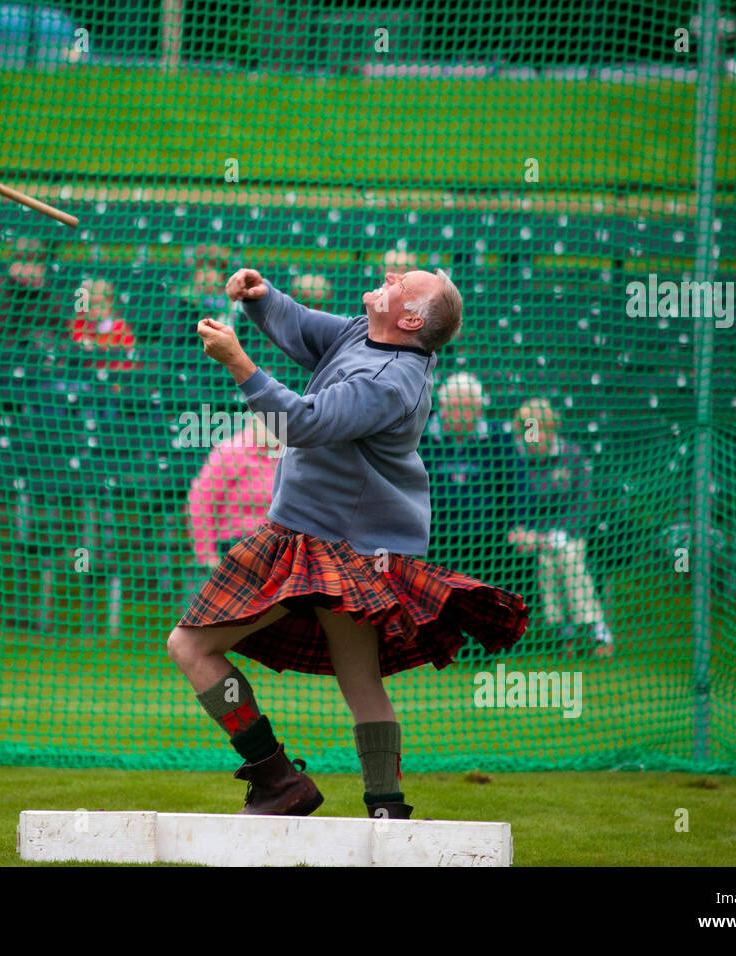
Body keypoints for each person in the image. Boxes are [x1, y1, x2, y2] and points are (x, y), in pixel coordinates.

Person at [166, 265, 529, 820]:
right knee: (360, 681)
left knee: (189, 648)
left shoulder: (390, 382)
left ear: (409, 318)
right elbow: (305, 327)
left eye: (403, 281)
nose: (389, 274)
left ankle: (275, 778)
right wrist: (263, 300)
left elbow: (302, 424)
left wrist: (239, 363)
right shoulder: (363, 331)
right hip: (323, 537)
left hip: (333, 543)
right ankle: (386, 808)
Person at [507, 397, 615, 659]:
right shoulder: (514, 460)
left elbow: (583, 503)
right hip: (535, 536)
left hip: (571, 534)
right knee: (548, 559)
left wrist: (561, 534)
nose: (534, 436)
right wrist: (524, 530)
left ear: (551, 429)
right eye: (527, 429)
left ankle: (588, 628)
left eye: (539, 429)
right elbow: (514, 501)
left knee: (564, 557)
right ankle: (574, 631)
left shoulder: (572, 455)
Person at [423, 372, 527, 589]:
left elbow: (517, 482)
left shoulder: (498, 438)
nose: (460, 413)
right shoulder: (421, 436)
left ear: (480, 409)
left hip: (487, 541)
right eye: (453, 405)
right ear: (441, 405)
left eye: (467, 406)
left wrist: (518, 524)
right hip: (435, 538)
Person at [187, 418, 281, 570]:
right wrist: (206, 553)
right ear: (253, 421)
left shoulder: (287, 454)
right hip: (236, 546)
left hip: (277, 548)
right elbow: (200, 502)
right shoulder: (231, 451)